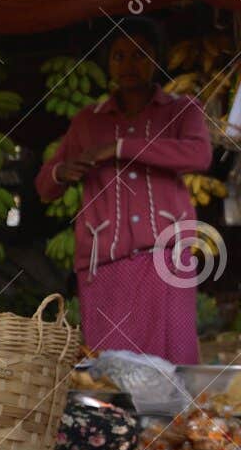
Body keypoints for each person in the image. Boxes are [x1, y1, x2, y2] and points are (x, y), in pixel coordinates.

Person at [36, 19, 213, 363]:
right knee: (112, 368)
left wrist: (119, 147)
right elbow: (45, 187)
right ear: (108, 63)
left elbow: (199, 154)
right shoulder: (88, 121)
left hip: (167, 258)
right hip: (105, 263)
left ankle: (176, 420)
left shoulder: (181, 110)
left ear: (156, 59)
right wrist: (62, 171)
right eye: (119, 56)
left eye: (140, 54)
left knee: (173, 364)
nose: (129, 64)